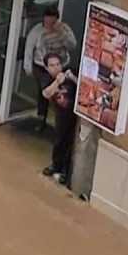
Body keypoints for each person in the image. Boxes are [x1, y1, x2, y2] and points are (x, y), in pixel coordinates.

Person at [24, 5, 78, 127]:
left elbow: (72, 45)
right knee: (44, 91)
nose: (49, 25)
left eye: (52, 22)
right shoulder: (37, 31)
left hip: (62, 64)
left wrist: (62, 33)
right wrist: (28, 67)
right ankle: (41, 118)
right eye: (47, 22)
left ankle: (60, 118)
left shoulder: (64, 29)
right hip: (42, 66)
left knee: (63, 91)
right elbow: (29, 48)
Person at [40, 53, 77, 186]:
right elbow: (46, 93)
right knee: (59, 141)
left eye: (58, 64)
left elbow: (82, 86)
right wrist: (57, 82)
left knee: (70, 144)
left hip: (74, 115)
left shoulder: (69, 73)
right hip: (61, 115)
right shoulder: (46, 78)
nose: (56, 67)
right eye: (52, 65)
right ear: (47, 68)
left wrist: (72, 78)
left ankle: (65, 172)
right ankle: (56, 166)